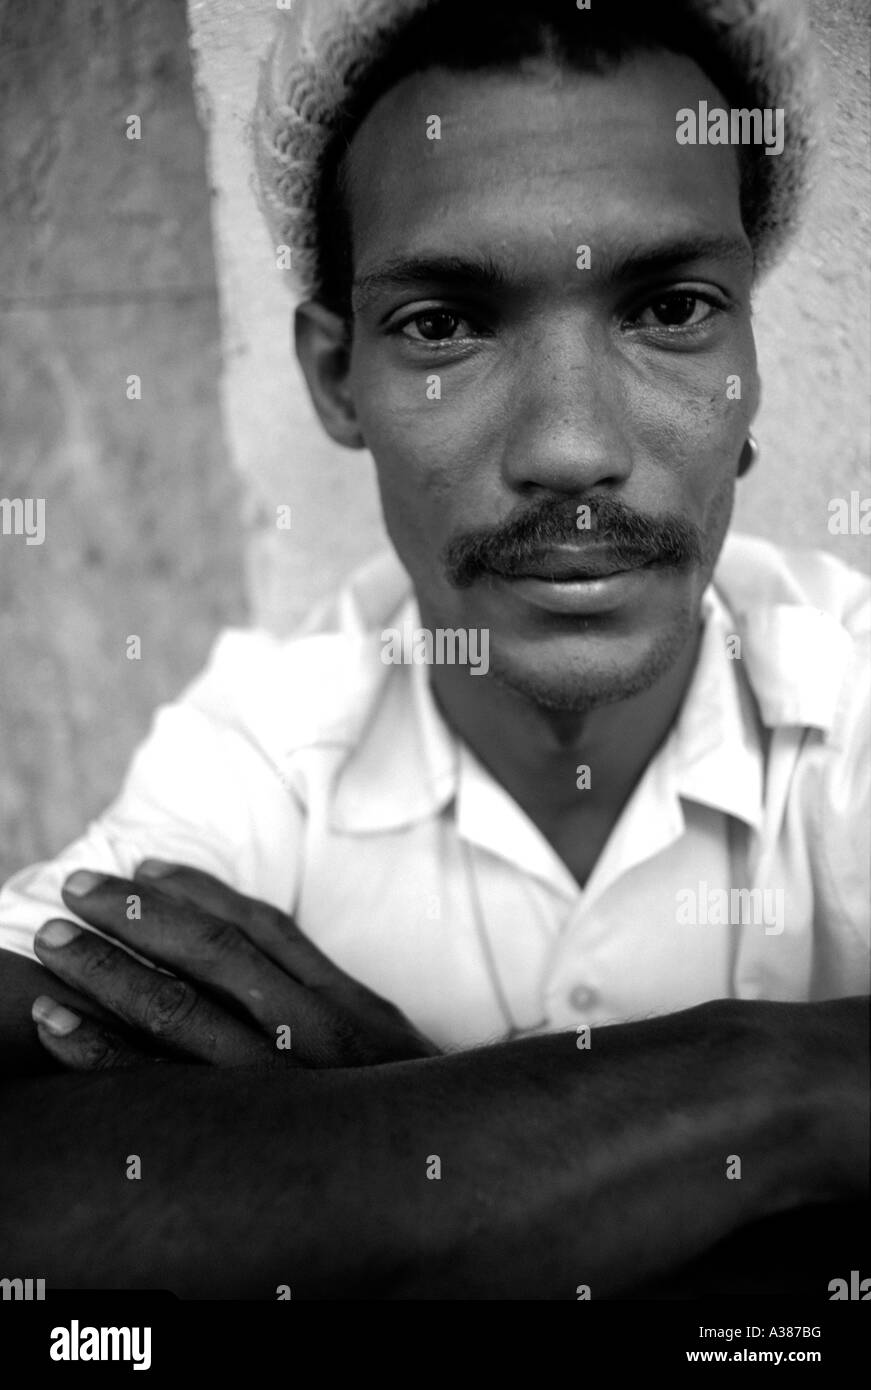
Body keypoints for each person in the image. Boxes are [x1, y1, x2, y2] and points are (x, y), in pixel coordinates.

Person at [0, 0, 867, 1299]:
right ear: (339, 379)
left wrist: (384, 1128)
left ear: (747, 374)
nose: (571, 447)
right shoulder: (268, 734)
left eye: (674, 306)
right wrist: (785, 1080)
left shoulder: (849, 689)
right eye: (447, 324)